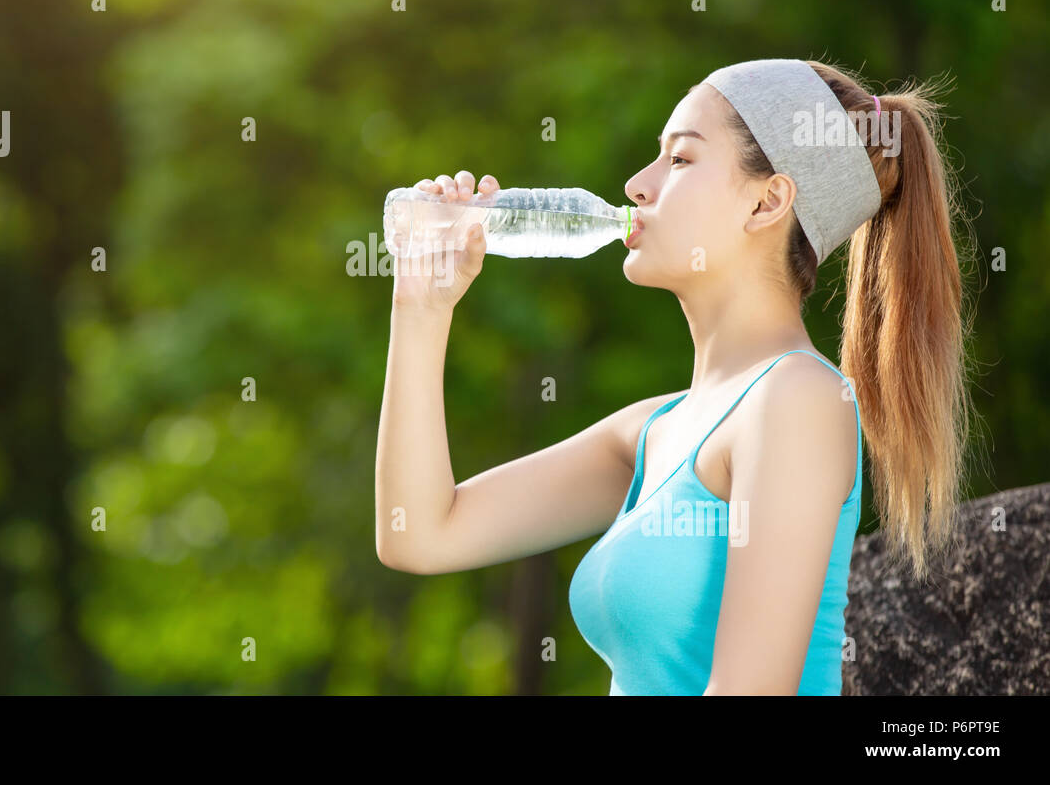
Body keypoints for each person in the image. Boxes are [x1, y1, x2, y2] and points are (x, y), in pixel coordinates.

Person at [374, 57, 978, 694]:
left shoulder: (798, 400)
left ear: (767, 201)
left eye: (680, 159)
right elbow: (418, 533)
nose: (637, 184)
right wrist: (422, 306)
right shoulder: (653, 432)